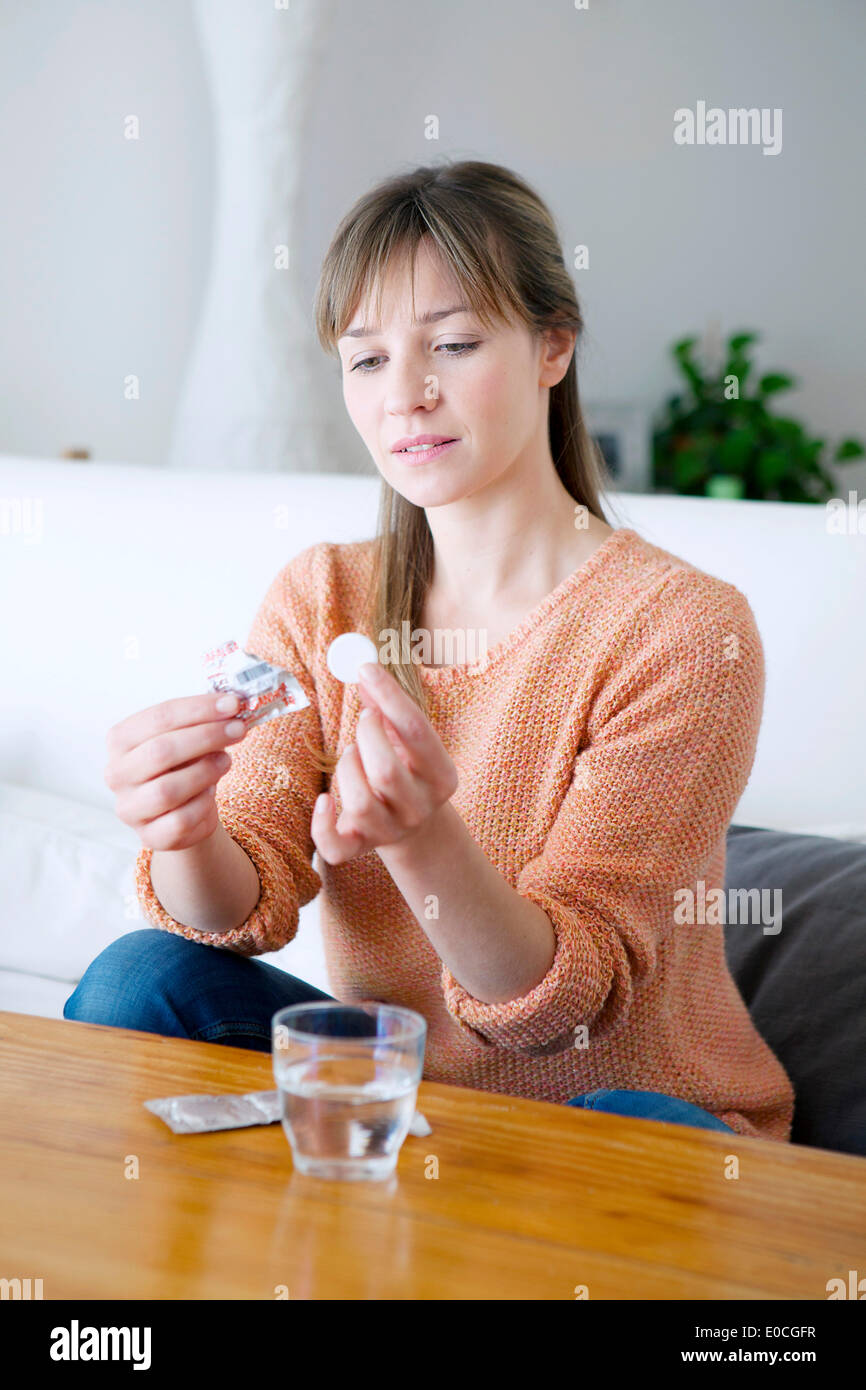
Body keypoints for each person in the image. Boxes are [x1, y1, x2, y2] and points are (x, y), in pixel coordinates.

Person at [64, 159, 794, 1141]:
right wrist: (188, 827)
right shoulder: (321, 594)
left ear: (551, 347)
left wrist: (421, 838)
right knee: (141, 975)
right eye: (366, 360)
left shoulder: (680, 628)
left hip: (614, 1106)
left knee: (636, 1123)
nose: (404, 394)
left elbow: (559, 1006)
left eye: (450, 343)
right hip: (395, 1098)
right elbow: (247, 903)